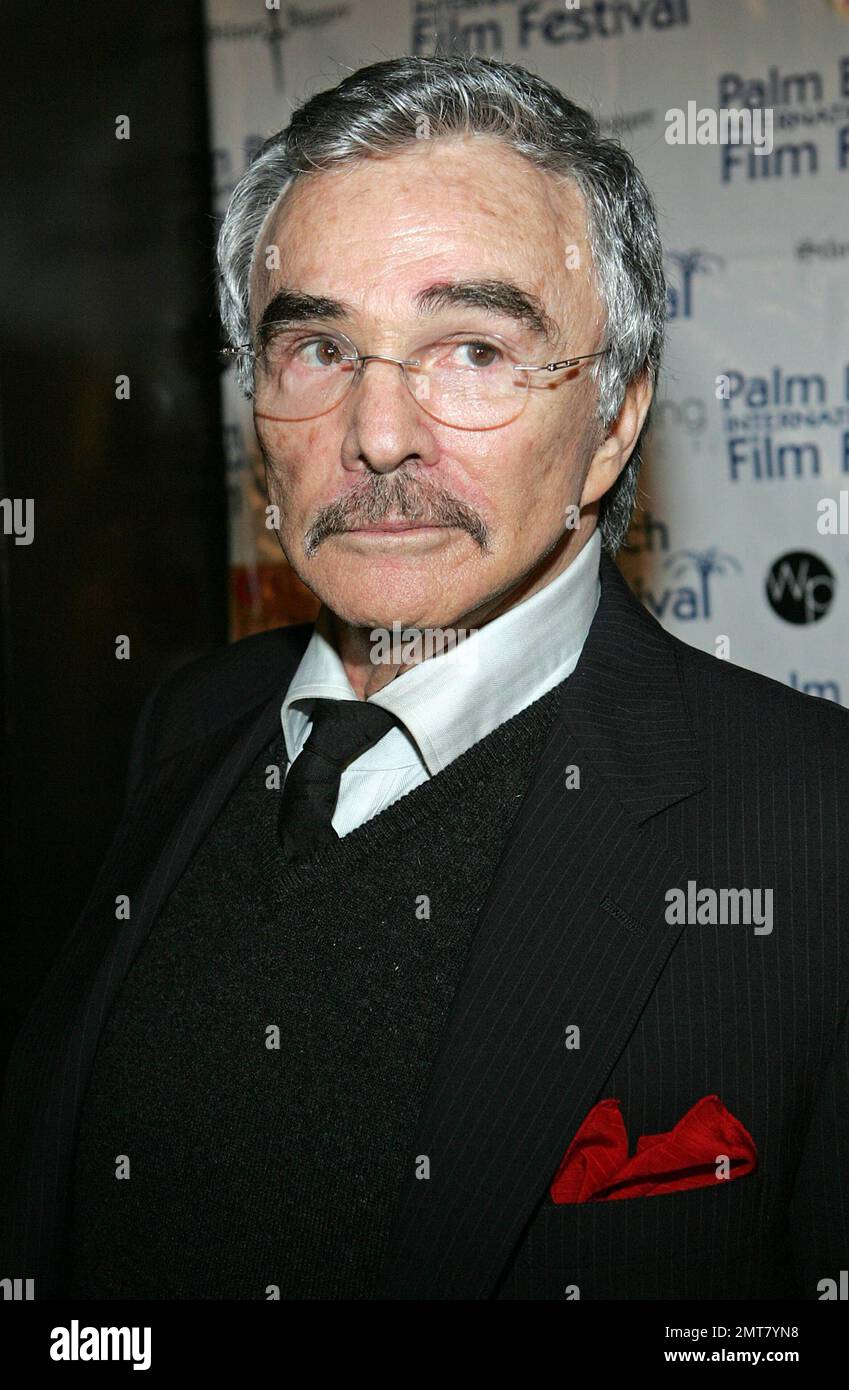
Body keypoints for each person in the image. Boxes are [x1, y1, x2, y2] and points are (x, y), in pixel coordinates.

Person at [1, 52, 847, 1302]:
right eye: (319, 347)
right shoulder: (191, 723)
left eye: (474, 351)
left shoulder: (813, 829)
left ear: (613, 422)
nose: (380, 432)